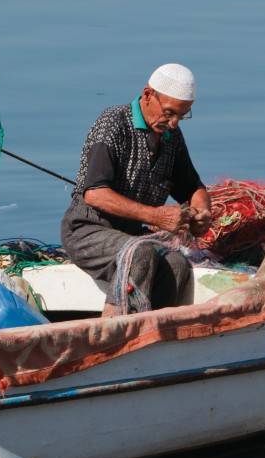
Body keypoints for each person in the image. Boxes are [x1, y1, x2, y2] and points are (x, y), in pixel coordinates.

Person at [60, 63, 211, 313]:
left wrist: (201, 212)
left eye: (182, 116)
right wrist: (155, 216)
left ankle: (155, 335)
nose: (174, 123)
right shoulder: (114, 124)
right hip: (87, 231)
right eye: (169, 113)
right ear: (148, 95)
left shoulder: (171, 137)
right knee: (139, 253)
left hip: (129, 235)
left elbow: (193, 186)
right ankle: (113, 330)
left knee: (177, 264)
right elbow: (95, 193)